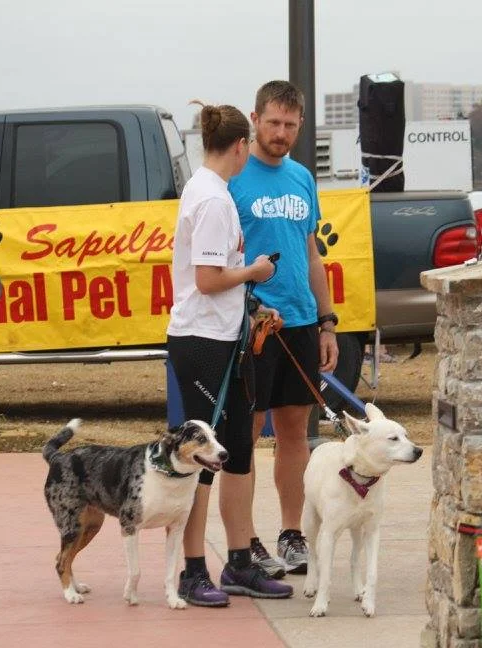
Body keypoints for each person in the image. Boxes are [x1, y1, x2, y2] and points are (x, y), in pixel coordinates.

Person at [167, 101, 293, 605]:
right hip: (203, 343)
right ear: (241, 146)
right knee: (202, 456)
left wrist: (250, 305)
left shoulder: (209, 189)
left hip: (228, 336)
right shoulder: (213, 199)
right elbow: (207, 278)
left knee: (237, 448)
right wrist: (254, 272)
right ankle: (193, 569)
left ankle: (239, 562)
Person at [229, 80, 339, 577]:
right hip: (252, 324)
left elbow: (311, 253)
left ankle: (291, 533)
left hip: (298, 322)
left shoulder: (300, 177)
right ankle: (245, 540)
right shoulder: (233, 178)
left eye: (290, 125)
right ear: (255, 119)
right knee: (246, 435)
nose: (280, 132)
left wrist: (327, 320)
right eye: (272, 122)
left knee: (295, 432)